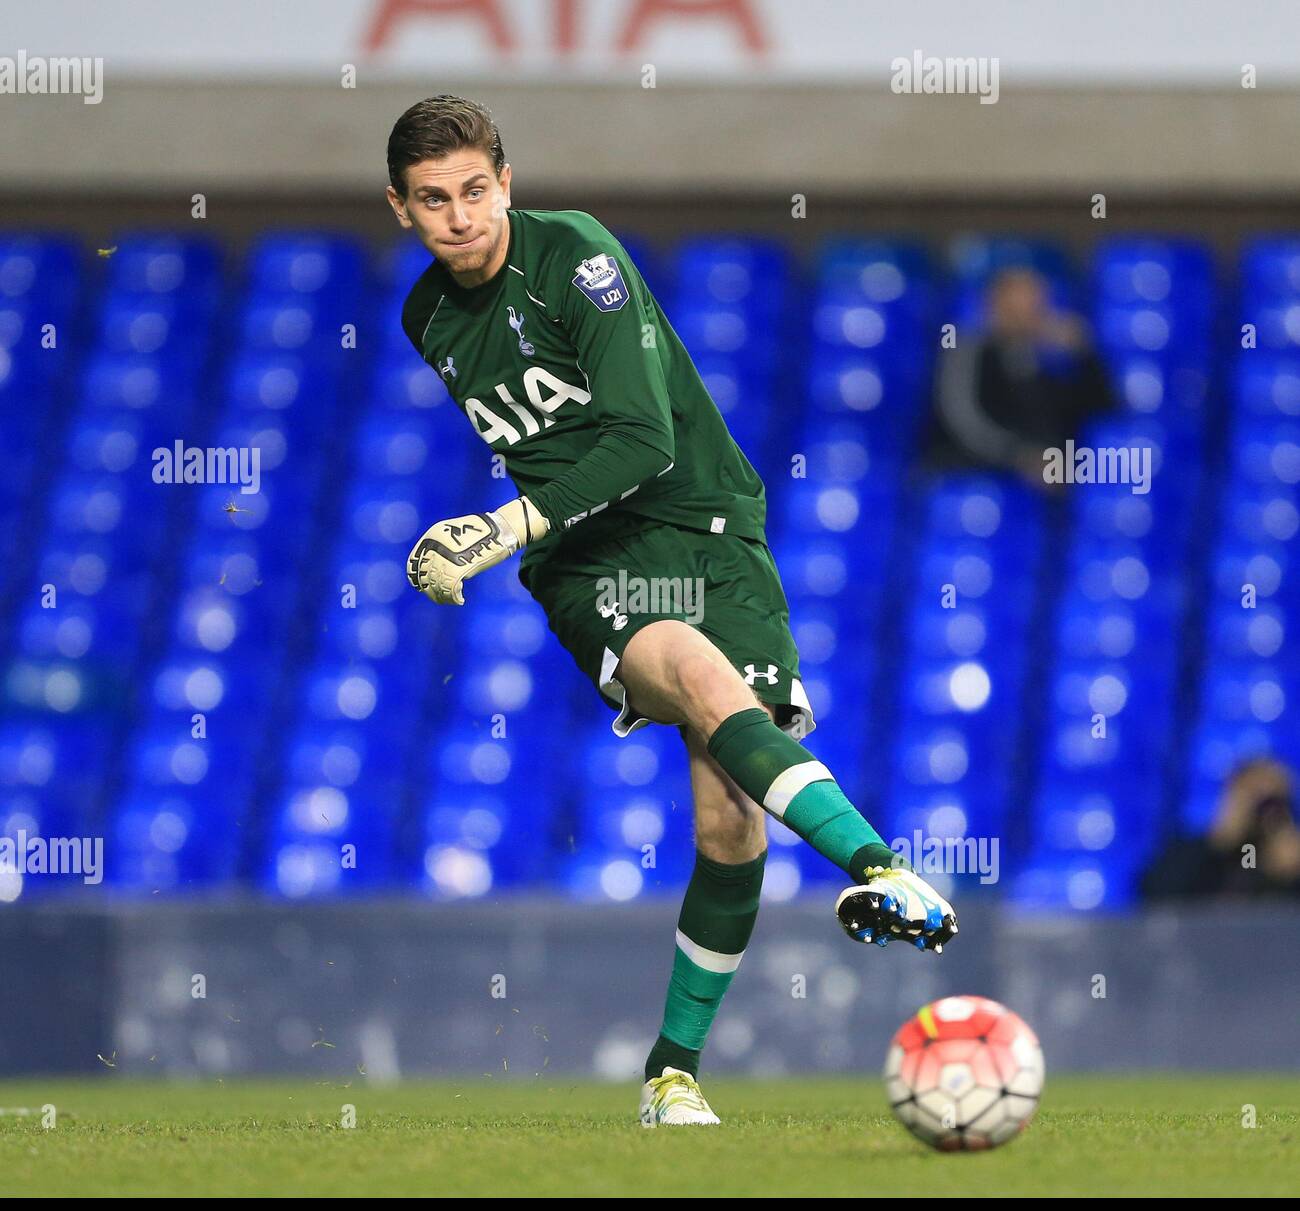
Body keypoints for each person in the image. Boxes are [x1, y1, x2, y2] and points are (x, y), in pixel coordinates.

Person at [386, 94, 957, 1127]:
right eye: (434, 199)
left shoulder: (578, 258)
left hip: (701, 524)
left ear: (506, 184)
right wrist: (515, 532)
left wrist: (498, 525)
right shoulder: (425, 318)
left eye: (475, 190)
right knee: (695, 671)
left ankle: (668, 1075)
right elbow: (553, 452)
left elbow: (644, 439)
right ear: (401, 208)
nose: (459, 216)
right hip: (589, 559)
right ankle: (884, 868)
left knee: (729, 820)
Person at [929, 266, 1113, 488]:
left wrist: (1085, 356)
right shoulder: (966, 351)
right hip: (977, 471)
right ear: (996, 303)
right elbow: (964, 421)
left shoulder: (1047, 360)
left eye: (1036, 302)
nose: (1030, 309)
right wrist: (1019, 455)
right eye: (1020, 302)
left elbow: (1100, 408)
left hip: (1046, 475)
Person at [1142, 757, 1300, 899]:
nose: (1260, 811)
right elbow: (1155, 896)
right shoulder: (1193, 853)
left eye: (1272, 802)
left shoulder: (1288, 860)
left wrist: (1290, 875)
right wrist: (1217, 842)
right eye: (1250, 796)